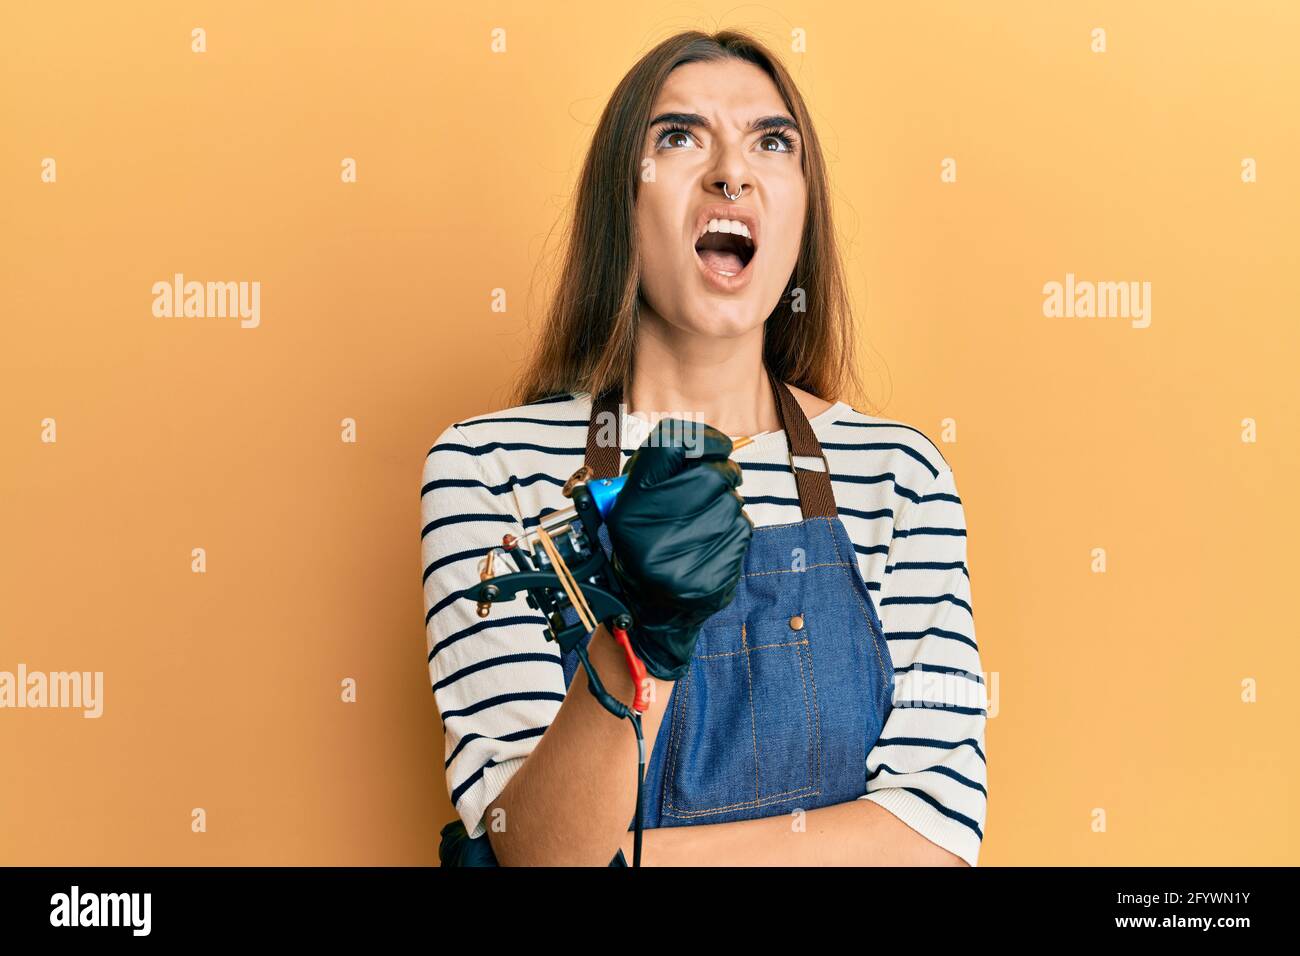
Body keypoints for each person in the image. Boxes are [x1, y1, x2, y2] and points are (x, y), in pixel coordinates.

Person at [421, 29, 987, 866]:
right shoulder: (489, 469)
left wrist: (623, 857)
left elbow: (935, 836)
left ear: (801, 210)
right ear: (623, 202)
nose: (732, 170)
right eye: (679, 137)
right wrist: (635, 650)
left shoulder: (900, 478)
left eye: (771, 141)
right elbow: (529, 844)